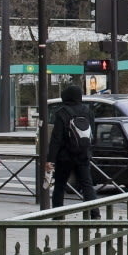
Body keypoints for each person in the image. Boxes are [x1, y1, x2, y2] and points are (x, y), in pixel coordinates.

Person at [48, 83, 98, 212]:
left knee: (59, 186)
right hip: (83, 154)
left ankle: (58, 214)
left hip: (64, 156)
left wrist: (50, 159)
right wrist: (89, 151)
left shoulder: (61, 112)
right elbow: (92, 134)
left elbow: (56, 139)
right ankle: (94, 213)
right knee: (87, 185)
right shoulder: (88, 112)